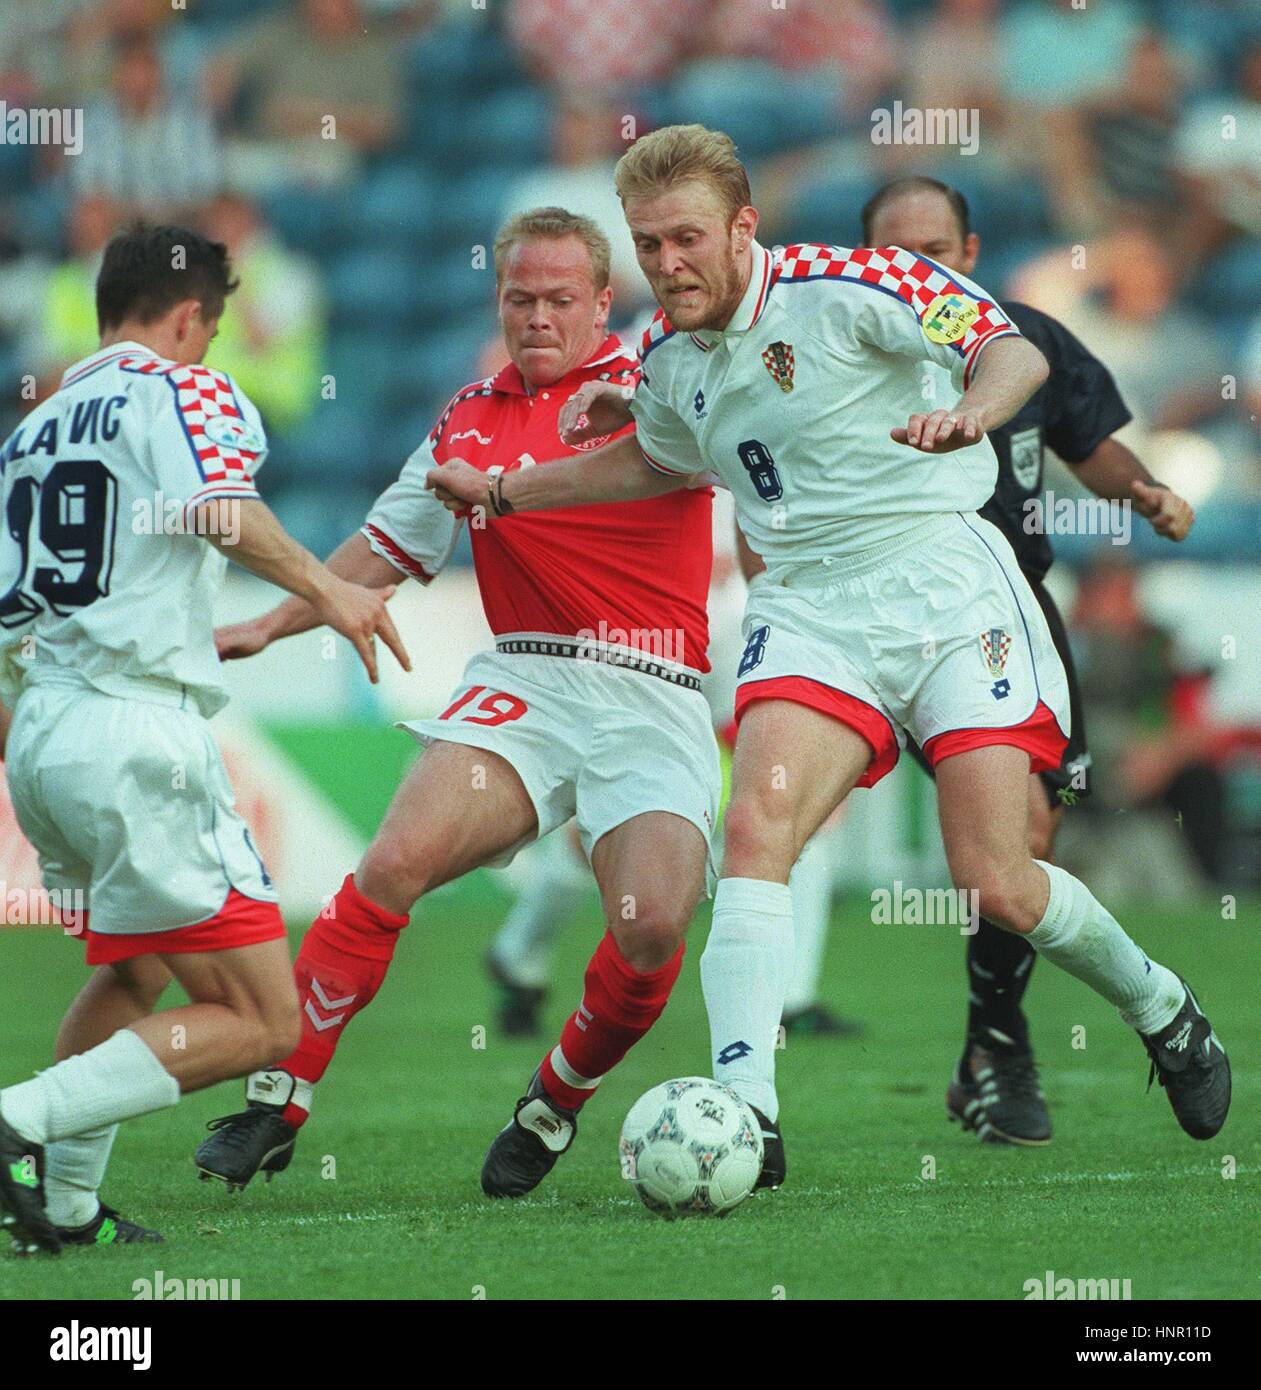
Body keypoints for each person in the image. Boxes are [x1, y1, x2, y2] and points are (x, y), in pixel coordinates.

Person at [429, 125, 1232, 1185]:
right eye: (647, 244)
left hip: (944, 586)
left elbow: (1014, 350)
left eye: (686, 239)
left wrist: (973, 414)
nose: (666, 266)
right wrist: (506, 490)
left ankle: (1161, 1009)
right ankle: (749, 1114)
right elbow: (654, 461)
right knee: (757, 833)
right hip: (808, 607)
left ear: (743, 227)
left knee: (995, 880)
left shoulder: (856, 280)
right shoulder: (669, 362)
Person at [191, 208, 726, 1201]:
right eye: (518, 297)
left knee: (651, 925)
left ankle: (555, 1097)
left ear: (601, 302)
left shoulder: (655, 390)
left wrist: (508, 488)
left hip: (654, 688)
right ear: (497, 298)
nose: (536, 316)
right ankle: (280, 1096)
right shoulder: (468, 412)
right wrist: (275, 621)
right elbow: (389, 543)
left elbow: (694, 455)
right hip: (525, 678)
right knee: (394, 858)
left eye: (559, 299)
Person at [757, 174, 1198, 1145]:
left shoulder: (1025, 338)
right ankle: (752, 1083)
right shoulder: (831, 351)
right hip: (861, 611)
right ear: (863, 260)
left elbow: (1095, 446)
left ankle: (994, 1050)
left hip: (999, 611)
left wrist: (1149, 492)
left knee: (1018, 842)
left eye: (934, 247)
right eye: (893, 249)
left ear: (968, 253)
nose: (915, 264)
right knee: (776, 820)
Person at [0, 223, 406, 1255]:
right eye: (211, 332)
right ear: (191, 320)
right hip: (138, 729)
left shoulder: (33, 427)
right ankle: (20, 1119)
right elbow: (222, 508)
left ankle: (70, 1209)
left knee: (134, 970)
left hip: (44, 726)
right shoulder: (179, 387)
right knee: (266, 1022)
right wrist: (330, 590)